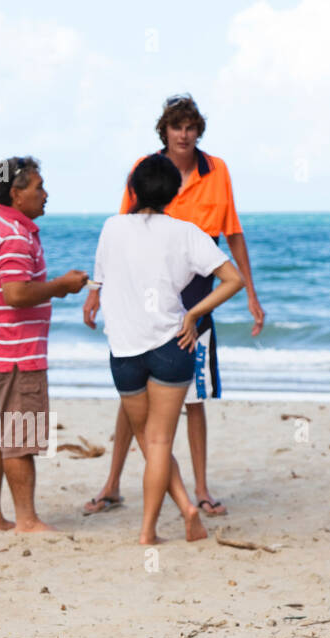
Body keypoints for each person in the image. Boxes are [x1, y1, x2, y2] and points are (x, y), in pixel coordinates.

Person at [84, 94, 263, 517]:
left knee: (195, 395)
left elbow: (233, 233)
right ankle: (111, 485)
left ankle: (200, 490)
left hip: (200, 288)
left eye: (190, 126)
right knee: (136, 394)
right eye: (176, 126)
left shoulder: (216, 170)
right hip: (151, 286)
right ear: (163, 131)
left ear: (199, 131)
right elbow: (120, 235)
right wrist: (96, 289)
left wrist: (251, 293)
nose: (183, 134)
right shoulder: (147, 172)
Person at [91, 154, 245, 544]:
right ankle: (152, 530)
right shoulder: (186, 231)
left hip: (123, 352)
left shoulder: (111, 228)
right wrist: (194, 314)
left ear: (132, 190)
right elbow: (233, 279)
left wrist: (92, 299)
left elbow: (100, 281)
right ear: (174, 193)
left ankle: (178, 514)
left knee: (148, 442)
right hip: (171, 346)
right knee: (159, 442)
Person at [0, 156, 87, 532]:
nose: (46, 194)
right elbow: (17, 293)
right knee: (18, 438)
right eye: (38, 187)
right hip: (17, 352)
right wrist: (62, 286)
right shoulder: (15, 235)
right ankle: (26, 519)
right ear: (16, 193)